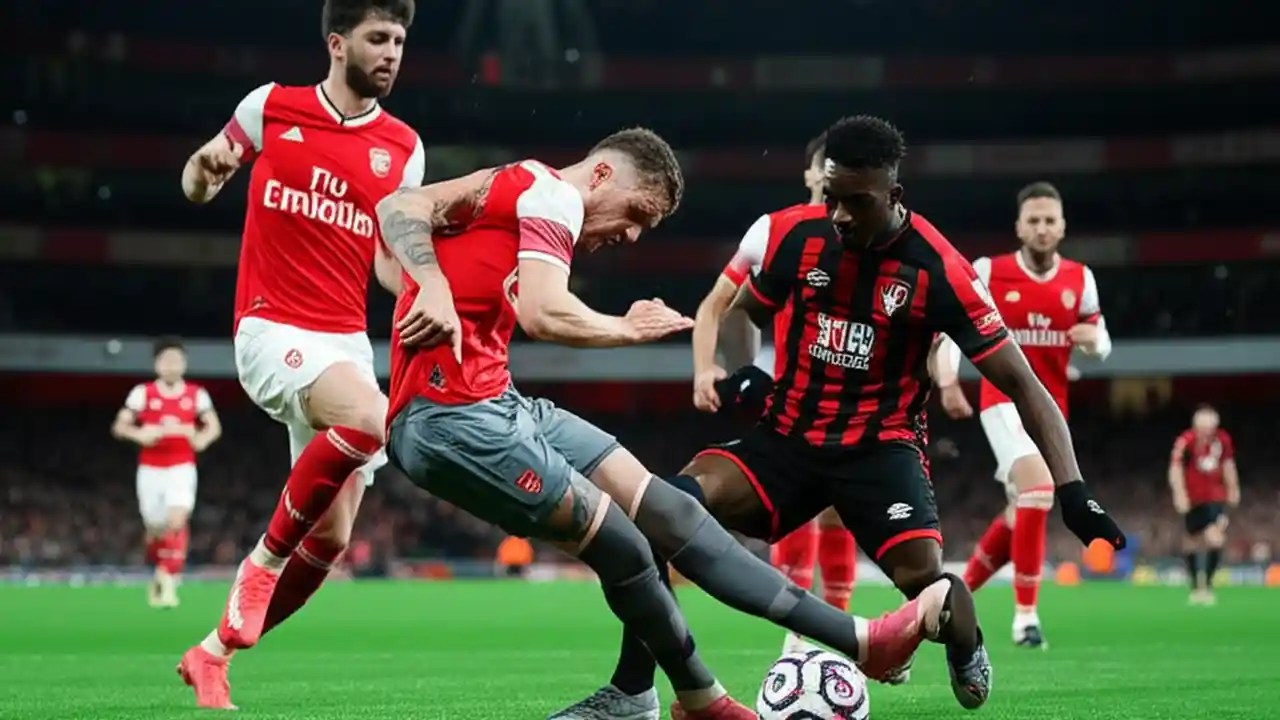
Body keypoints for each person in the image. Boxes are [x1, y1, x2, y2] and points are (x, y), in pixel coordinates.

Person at [377, 128, 951, 720]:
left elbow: (398, 211)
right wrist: (623, 327)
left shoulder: (516, 184)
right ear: (601, 176)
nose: (628, 236)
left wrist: (429, 284)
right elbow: (543, 312)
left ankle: (857, 642)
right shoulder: (551, 196)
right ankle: (703, 700)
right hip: (453, 421)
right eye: (636, 214)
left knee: (669, 512)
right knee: (628, 546)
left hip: (503, 401)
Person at [581, 115, 1128, 715]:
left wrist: (1072, 489)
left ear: (894, 196)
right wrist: (748, 376)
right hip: (788, 439)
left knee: (934, 590)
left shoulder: (941, 271)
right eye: (831, 197)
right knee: (664, 511)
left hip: (880, 452)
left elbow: (1025, 385)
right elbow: (740, 313)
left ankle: (966, 643)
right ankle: (634, 691)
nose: (838, 215)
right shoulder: (800, 236)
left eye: (855, 202)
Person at [174, 0, 424, 709]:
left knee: (337, 535)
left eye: (401, 40)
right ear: (338, 43)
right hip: (269, 329)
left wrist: (430, 286)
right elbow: (197, 186)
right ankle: (259, 565)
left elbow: (385, 261)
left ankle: (213, 651)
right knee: (373, 420)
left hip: (344, 340)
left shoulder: (405, 148)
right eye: (379, 38)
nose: (392, 52)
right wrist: (205, 167)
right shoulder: (271, 107)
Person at [691, 132, 856, 655]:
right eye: (825, 167)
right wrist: (706, 368)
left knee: (838, 510)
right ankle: (800, 635)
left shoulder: (871, 233)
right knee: (796, 504)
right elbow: (716, 304)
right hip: (787, 387)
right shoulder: (774, 229)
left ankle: (840, 634)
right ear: (810, 175)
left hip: (853, 391)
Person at [932, 181, 1112, 648]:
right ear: (1019, 226)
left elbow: (1100, 339)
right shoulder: (990, 272)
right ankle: (1025, 619)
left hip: (1050, 414)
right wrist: (949, 380)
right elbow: (954, 328)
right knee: (1038, 489)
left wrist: (1095, 345)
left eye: (1050, 220)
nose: (1042, 228)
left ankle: (956, 596)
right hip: (1002, 403)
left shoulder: (1080, 279)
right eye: (1033, 220)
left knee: (1022, 510)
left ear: (1063, 226)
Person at [112, 337, 221, 608]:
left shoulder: (196, 394)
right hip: (150, 470)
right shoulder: (143, 393)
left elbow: (213, 427)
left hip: (181, 467)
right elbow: (119, 426)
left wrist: (200, 439)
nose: (172, 366)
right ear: (156, 364)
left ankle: (169, 581)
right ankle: (159, 572)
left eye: (176, 360)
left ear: (184, 364)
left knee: (177, 520)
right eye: (166, 360)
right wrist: (140, 434)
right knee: (155, 530)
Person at [1169, 404, 1240, 605]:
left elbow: (1228, 465)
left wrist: (1233, 488)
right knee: (1192, 542)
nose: (1207, 431)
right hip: (1193, 500)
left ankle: (1207, 586)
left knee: (1215, 538)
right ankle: (1196, 587)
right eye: (1203, 427)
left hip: (1215, 498)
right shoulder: (1186, 442)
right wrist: (1179, 494)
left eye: (1210, 427)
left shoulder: (1222, 440)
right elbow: (1175, 468)